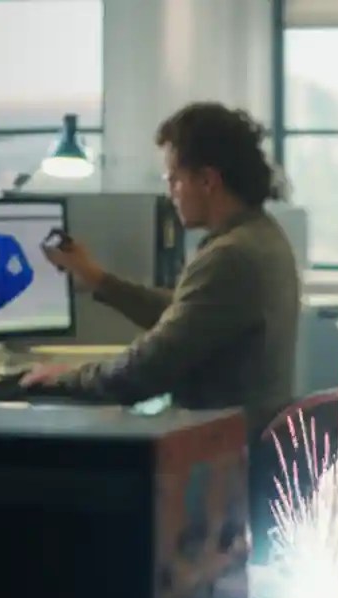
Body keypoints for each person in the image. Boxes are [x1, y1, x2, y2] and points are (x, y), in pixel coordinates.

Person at [21, 102, 301, 433]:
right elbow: (187, 316)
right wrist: (97, 280)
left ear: (208, 181)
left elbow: (143, 372)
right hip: (241, 443)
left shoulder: (232, 256)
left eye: (174, 179)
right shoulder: (262, 236)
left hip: (217, 456)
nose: (170, 194)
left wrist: (64, 379)